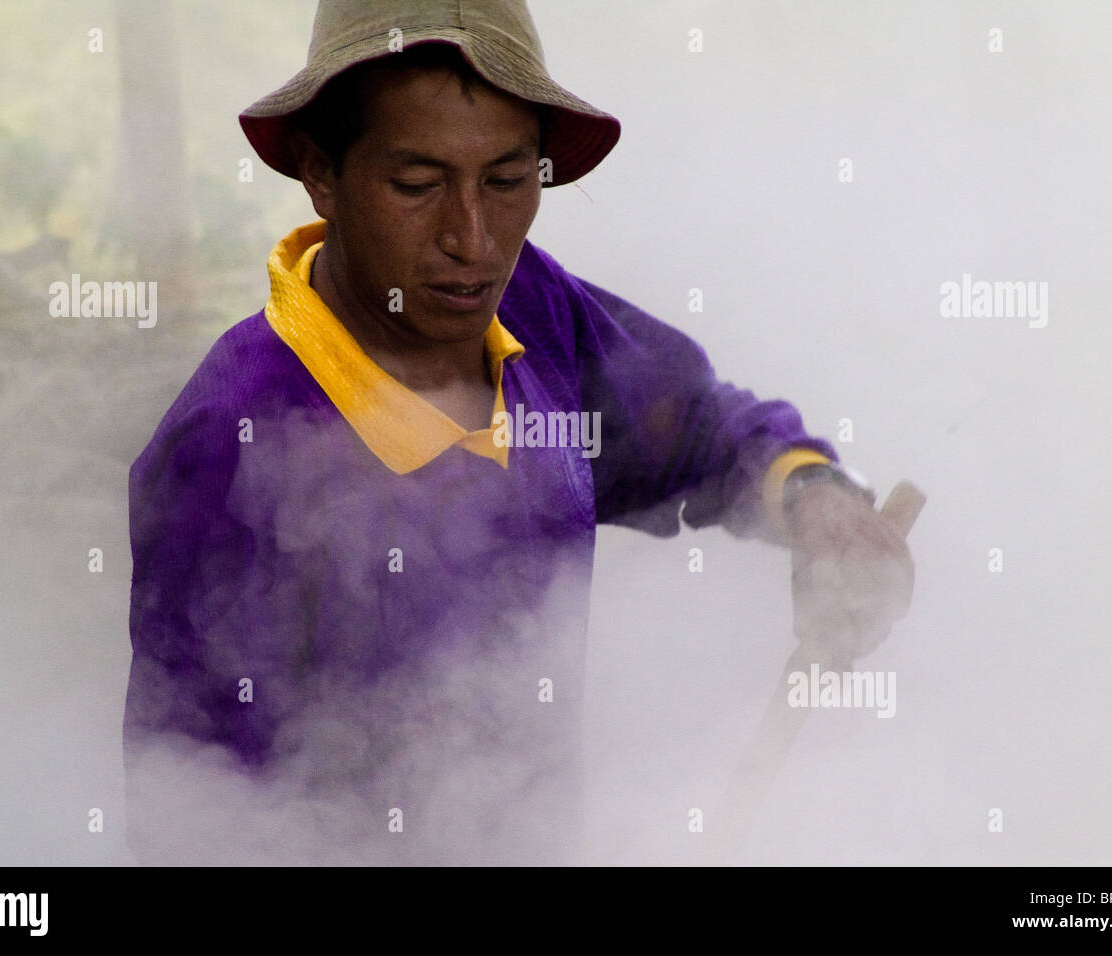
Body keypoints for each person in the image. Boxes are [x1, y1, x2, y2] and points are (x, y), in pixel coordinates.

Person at [122, 0, 914, 865]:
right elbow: (198, 822)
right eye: (416, 185)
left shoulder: (529, 307)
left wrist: (813, 498)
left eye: (506, 181)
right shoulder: (234, 444)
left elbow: (703, 429)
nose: (472, 239)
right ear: (321, 173)